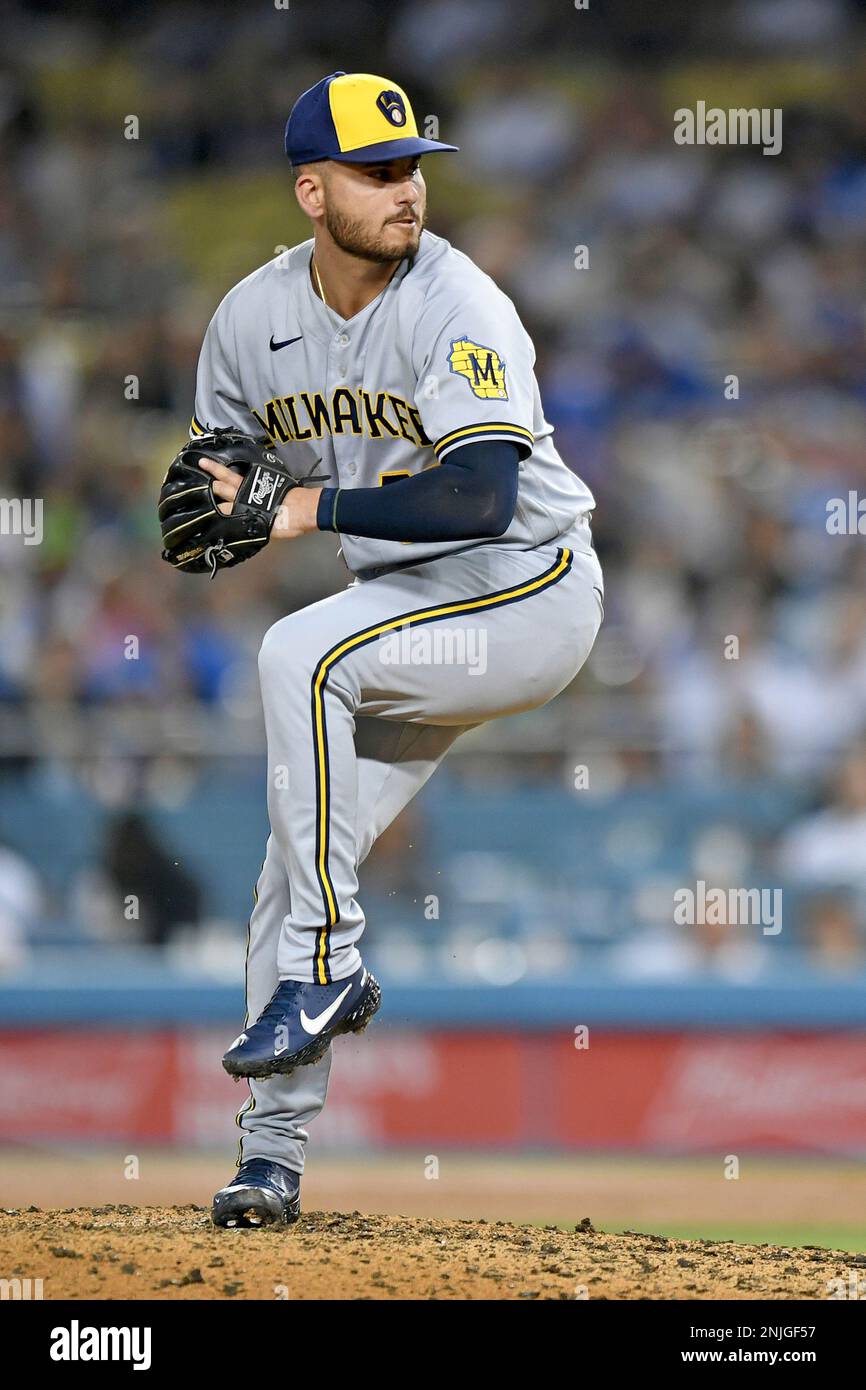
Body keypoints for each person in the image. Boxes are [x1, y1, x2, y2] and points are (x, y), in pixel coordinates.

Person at [185, 71, 604, 1228]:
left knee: (300, 653)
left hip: (524, 589)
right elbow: (210, 480)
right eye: (375, 171)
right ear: (311, 192)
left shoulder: (458, 302)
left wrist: (303, 508)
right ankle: (270, 1157)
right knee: (291, 854)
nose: (405, 187)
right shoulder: (251, 318)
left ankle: (328, 962)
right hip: (406, 611)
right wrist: (206, 513)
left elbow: (477, 497)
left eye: (412, 164)